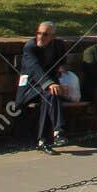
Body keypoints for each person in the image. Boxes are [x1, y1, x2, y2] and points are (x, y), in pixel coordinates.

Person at [19, 21, 70, 152]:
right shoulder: (30, 47)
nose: (40, 37)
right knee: (51, 93)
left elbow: (62, 65)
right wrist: (50, 84)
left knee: (50, 94)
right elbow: (35, 70)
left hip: (49, 86)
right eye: (39, 33)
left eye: (45, 34)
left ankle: (44, 140)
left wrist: (62, 81)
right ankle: (57, 132)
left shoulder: (59, 45)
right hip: (30, 87)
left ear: (53, 36)